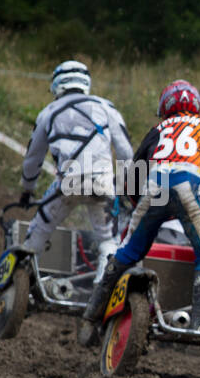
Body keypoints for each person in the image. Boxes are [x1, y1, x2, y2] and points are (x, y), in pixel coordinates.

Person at [82, 80, 200, 338]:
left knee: (128, 250)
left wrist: (139, 205)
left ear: (165, 106)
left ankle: (93, 310)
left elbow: (135, 171)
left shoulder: (158, 128)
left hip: (155, 186)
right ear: (197, 104)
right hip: (189, 184)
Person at [13, 61, 132, 279]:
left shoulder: (48, 112)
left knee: (39, 230)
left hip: (67, 184)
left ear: (57, 84)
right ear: (86, 82)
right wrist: (127, 189)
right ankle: (102, 293)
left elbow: (33, 159)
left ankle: (23, 280)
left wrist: (27, 190)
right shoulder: (106, 107)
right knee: (108, 240)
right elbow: (125, 152)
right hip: (102, 184)